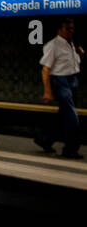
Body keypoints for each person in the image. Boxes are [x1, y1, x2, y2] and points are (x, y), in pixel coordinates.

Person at [35, 17, 83, 159]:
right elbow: (45, 70)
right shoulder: (53, 45)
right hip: (60, 81)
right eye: (67, 28)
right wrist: (48, 91)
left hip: (72, 80)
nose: (71, 31)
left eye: (72, 28)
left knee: (64, 115)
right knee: (71, 117)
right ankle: (70, 149)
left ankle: (44, 138)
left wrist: (78, 53)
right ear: (59, 29)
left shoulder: (72, 43)